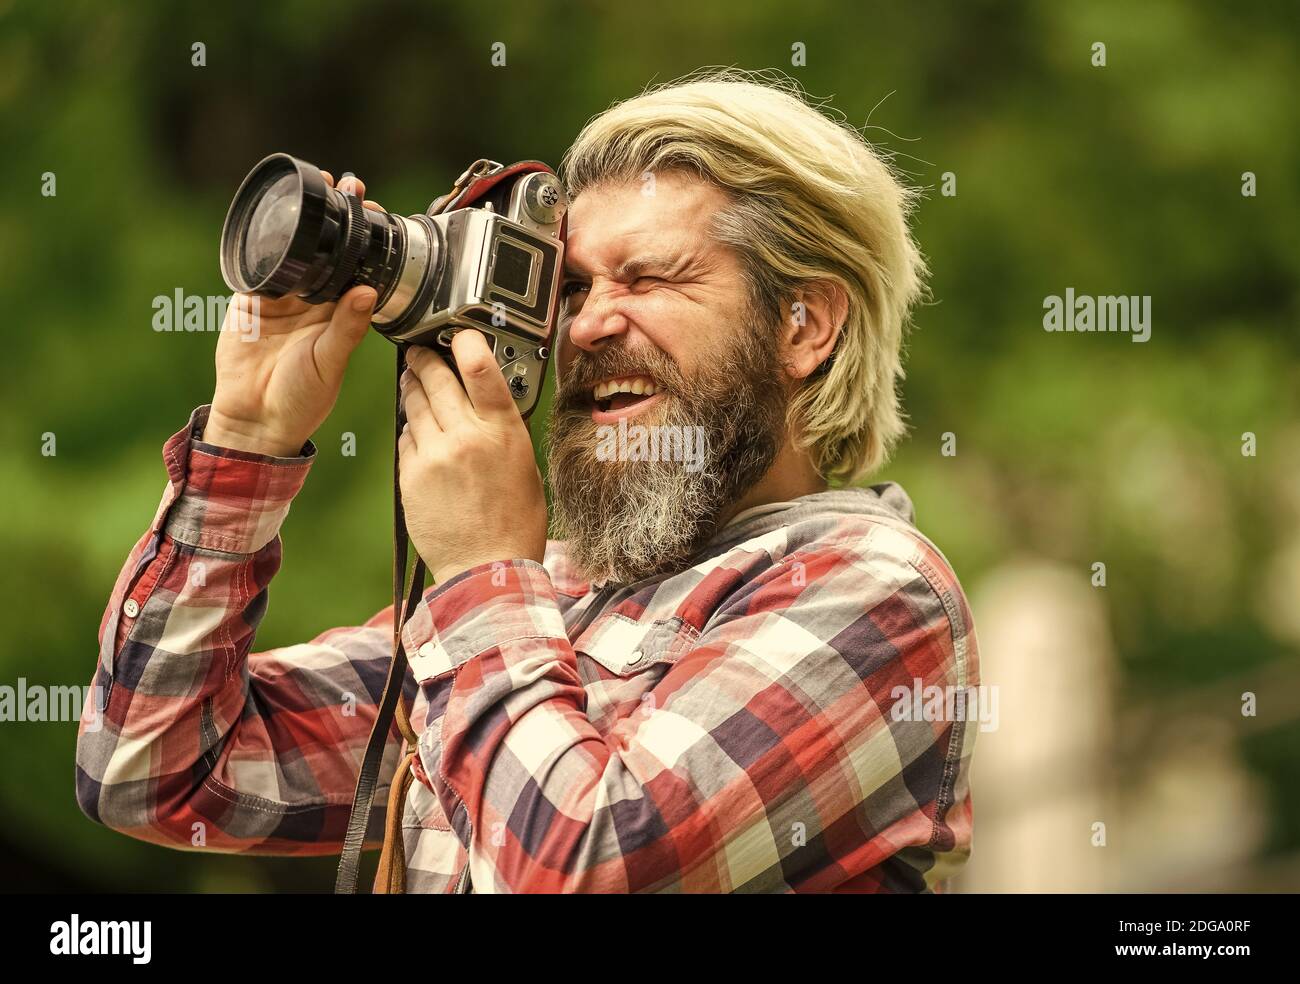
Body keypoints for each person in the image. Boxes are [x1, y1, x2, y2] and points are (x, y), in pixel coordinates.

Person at [77, 69, 979, 893]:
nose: (586, 328)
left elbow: (584, 870)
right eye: (574, 288)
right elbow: (154, 771)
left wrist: (480, 574)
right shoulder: (545, 599)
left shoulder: (875, 592)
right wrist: (248, 442)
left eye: (648, 277)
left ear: (804, 324)